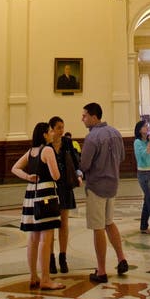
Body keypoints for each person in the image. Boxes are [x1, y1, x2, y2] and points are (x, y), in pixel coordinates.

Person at [12, 122, 65, 291]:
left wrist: (28, 177)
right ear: (44, 134)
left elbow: (15, 168)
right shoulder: (47, 150)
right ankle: (46, 279)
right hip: (46, 194)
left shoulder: (31, 152)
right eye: (50, 131)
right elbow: (56, 175)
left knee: (33, 238)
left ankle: (33, 275)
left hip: (31, 195)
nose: (52, 134)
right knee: (45, 239)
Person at [79, 102, 128, 283]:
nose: (82, 118)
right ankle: (122, 258)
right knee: (109, 222)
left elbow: (84, 165)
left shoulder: (92, 138)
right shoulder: (115, 133)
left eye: (84, 115)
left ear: (93, 116)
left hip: (96, 187)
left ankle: (101, 271)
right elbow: (122, 157)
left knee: (98, 227)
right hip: (113, 185)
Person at [48, 115, 82, 274]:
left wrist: (79, 175)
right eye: (58, 128)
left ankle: (63, 256)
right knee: (50, 225)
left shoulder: (68, 143)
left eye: (63, 127)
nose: (62, 130)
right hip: (50, 188)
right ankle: (50, 257)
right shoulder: (46, 145)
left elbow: (76, 162)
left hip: (65, 187)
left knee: (64, 223)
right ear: (52, 129)